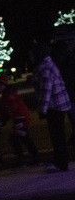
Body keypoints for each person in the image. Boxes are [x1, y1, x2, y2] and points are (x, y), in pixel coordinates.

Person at [31, 44, 71, 172]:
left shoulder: (45, 68)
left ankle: (61, 162)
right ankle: (61, 161)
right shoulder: (49, 65)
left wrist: (42, 109)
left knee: (57, 135)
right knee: (59, 134)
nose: (31, 57)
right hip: (59, 104)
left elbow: (46, 90)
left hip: (55, 106)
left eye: (32, 54)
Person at [0, 75, 40, 166]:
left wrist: (1, 122)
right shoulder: (7, 94)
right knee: (22, 138)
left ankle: (27, 158)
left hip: (21, 119)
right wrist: (1, 122)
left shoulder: (9, 95)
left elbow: (10, 109)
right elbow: (6, 112)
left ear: (3, 85)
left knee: (19, 138)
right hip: (20, 118)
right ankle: (31, 157)